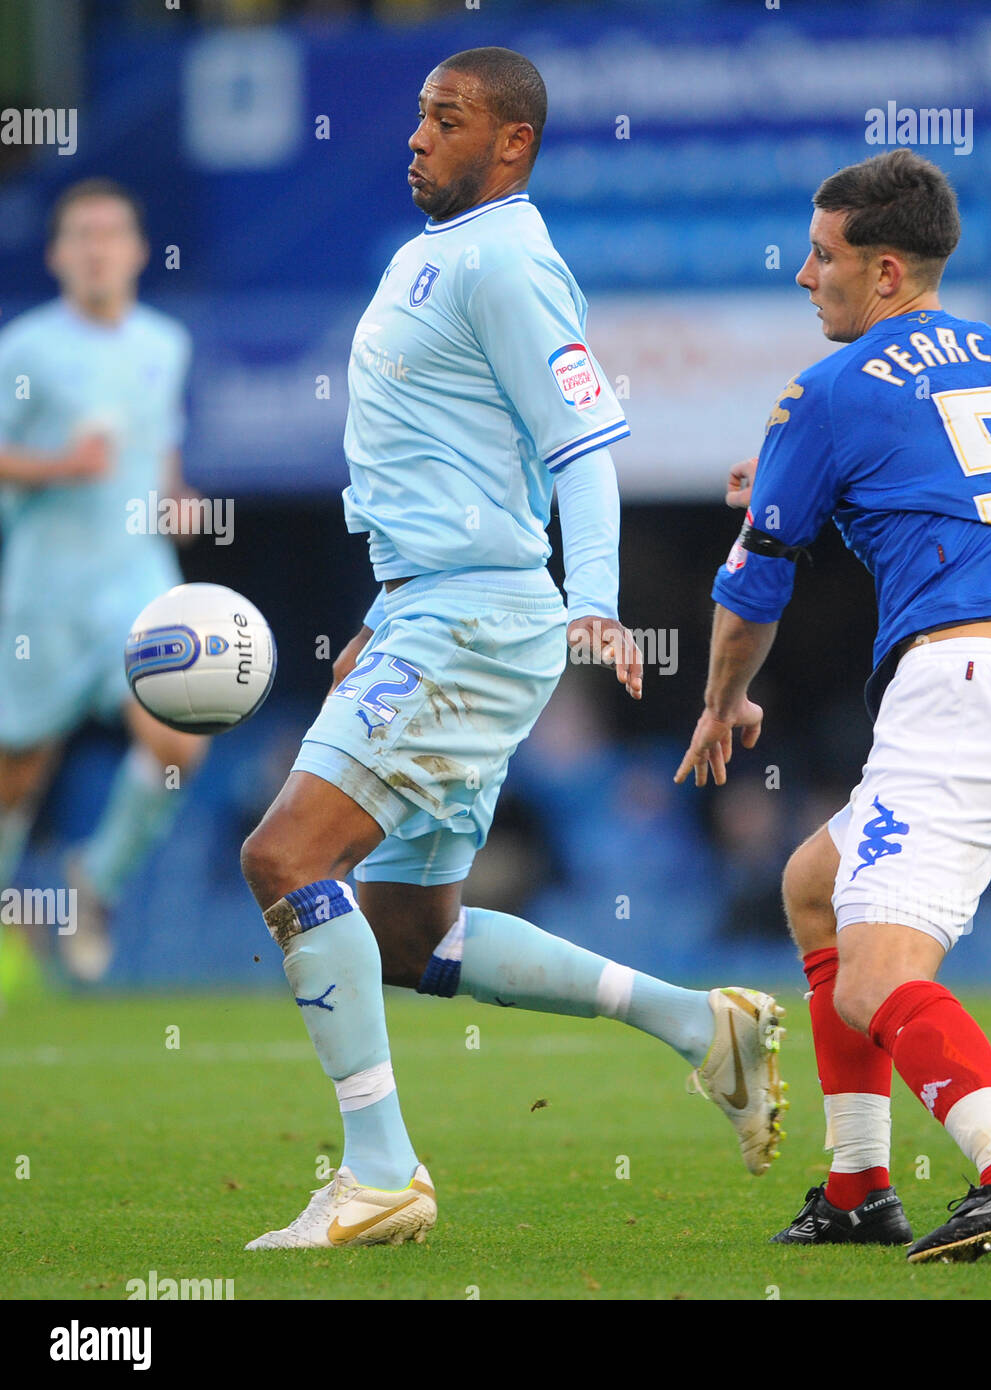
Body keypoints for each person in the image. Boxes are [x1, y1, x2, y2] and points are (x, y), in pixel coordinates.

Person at [240, 47, 785, 1252]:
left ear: (513, 141)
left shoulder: (510, 260)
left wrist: (592, 597)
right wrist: (384, 608)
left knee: (286, 857)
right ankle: (704, 1026)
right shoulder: (429, 254)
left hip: (477, 615)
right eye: (419, 118)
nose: (418, 138)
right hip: (431, 606)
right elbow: (443, 461)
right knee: (406, 935)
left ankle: (378, 1172)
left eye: (448, 120)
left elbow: (581, 442)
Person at [676, 149, 991, 1263]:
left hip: (954, 697)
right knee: (814, 886)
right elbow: (942, 507)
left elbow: (752, 585)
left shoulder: (827, 389)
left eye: (822, 256)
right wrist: (797, 487)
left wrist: (722, 701)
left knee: (874, 980)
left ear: (889, 270)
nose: (804, 276)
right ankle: (856, 1185)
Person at [0, 179, 205, 983]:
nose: (96, 248)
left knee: (179, 737)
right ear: (57, 254)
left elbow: (160, 454)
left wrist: (178, 500)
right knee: (18, 773)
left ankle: (96, 883)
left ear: (136, 250)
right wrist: (59, 466)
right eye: (80, 234)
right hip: (44, 591)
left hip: (137, 576)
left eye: (110, 233)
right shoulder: (25, 348)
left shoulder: (164, 343)